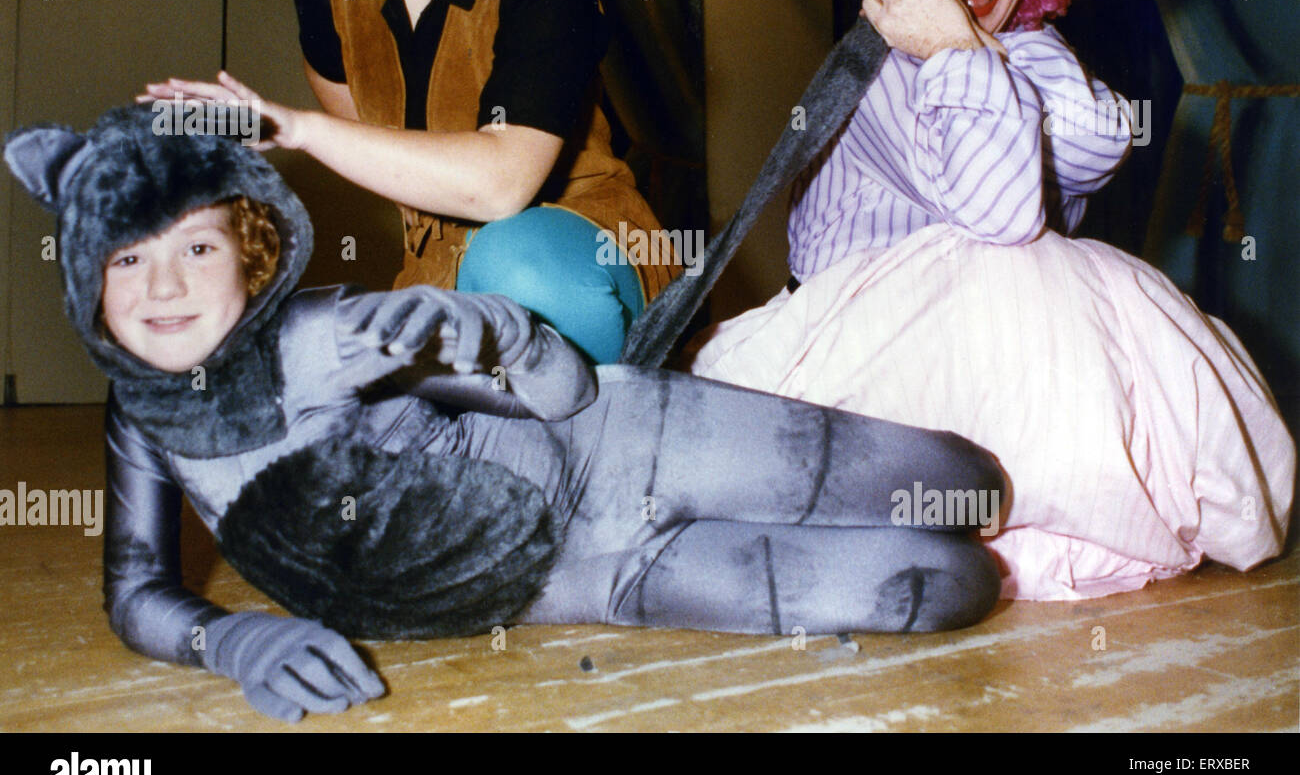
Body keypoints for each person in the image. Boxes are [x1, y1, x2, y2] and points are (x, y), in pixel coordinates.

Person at [5, 104, 1006, 722]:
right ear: (89, 285)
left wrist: (496, 332)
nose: (162, 287)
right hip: (595, 580)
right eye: (127, 257)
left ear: (253, 253)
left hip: (622, 448)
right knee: (947, 585)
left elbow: (565, 394)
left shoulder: (329, 335)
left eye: (195, 249)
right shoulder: (140, 413)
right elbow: (136, 591)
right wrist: (227, 642)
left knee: (962, 488)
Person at [687, 0, 1295, 601]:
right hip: (852, 353)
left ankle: (1031, 524)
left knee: (1079, 277)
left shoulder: (1034, 51)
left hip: (1004, 373)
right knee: (1016, 264)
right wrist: (949, 47)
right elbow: (1001, 211)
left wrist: (969, 44)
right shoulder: (882, 66)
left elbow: (1091, 144)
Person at [143, 0, 677, 364]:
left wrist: (298, 129)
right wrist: (253, 128)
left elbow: (501, 187)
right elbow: (373, 147)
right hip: (437, 269)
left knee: (514, 263)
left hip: (582, 250)